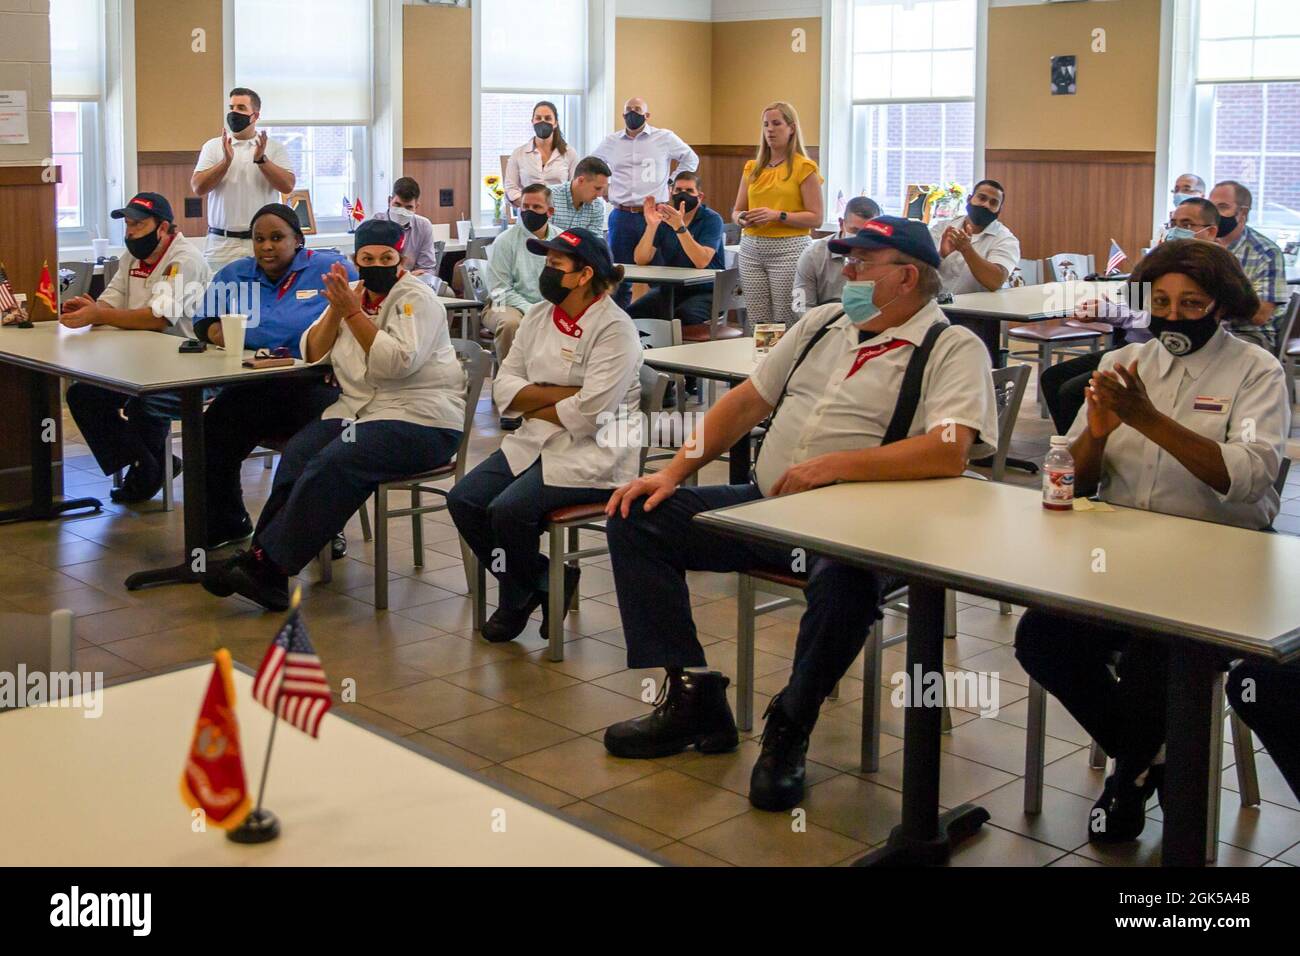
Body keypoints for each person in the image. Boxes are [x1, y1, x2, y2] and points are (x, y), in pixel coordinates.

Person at [600, 217, 998, 812]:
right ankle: (691, 695)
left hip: (863, 528)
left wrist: (836, 465)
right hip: (768, 508)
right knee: (639, 514)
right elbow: (745, 402)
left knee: (845, 581)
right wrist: (673, 471)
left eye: (863, 263)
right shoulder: (823, 324)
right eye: (847, 261)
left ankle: (791, 722)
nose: (848, 273)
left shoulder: (951, 346)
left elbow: (948, 448)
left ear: (908, 276)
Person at [1015, 239, 1289, 844]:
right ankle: (1150, 762)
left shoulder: (1255, 371)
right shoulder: (1126, 362)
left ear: (1221, 305)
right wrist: (1096, 432)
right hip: (1120, 554)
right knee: (1041, 636)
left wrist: (1148, 420)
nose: (1174, 315)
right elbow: (1072, 474)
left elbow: (1247, 479)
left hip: (1218, 562)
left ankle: (1126, 781)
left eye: (1192, 303)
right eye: (1161, 301)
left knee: (1155, 651)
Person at [202, 219, 465, 611]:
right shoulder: (352, 293)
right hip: (360, 411)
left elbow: (396, 364)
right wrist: (337, 311)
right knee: (297, 455)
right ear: (356, 259)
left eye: (385, 257)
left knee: (335, 461)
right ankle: (262, 560)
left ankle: (271, 567)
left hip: (420, 419)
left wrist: (353, 314)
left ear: (401, 260)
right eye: (367, 257)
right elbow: (312, 350)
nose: (376, 264)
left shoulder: (416, 298)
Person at [447, 228, 641, 644]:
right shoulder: (537, 316)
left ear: (584, 275)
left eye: (555, 265)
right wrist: (555, 399)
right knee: (464, 500)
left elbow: (592, 414)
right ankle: (541, 578)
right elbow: (504, 386)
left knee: (507, 511)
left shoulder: (614, 329)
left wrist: (530, 401)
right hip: (534, 438)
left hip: (594, 450)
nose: (545, 271)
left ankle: (517, 594)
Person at [192, 203, 357, 550]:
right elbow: (204, 324)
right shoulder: (233, 275)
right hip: (254, 384)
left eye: (277, 238)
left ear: (297, 239)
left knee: (320, 444)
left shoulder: (330, 269)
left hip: (313, 383)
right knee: (209, 433)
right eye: (259, 239)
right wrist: (219, 333)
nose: (267, 246)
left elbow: (359, 320)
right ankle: (229, 521)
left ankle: (324, 528)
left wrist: (337, 363)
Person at [61, 193, 211, 503]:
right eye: (128, 225)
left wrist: (101, 314)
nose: (130, 232)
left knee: (143, 403)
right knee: (82, 394)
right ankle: (152, 463)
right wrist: (91, 308)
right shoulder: (132, 257)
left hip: (183, 366)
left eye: (138, 225)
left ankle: (147, 469)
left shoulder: (185, 260)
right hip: (136, 361)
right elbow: (112, 298)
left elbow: (159, 318)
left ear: (163, 227)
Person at [1041, 198, 1221, 432]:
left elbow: (1162, 320)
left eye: (1187, 224)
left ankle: (1095, 448)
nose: (1177, 230)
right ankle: (1074, 448)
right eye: (1174, 223)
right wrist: (1103, 311)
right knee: (1052, 378)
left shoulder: (1213, 270)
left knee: (1072, 391)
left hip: (1166, 353)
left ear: (1211, 231)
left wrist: (1108, 312)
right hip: (1130, 347)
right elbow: (1133, 305)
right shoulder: (1158, 262)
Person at [592, 97, 699, 308]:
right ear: (623, 116)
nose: (633, 113)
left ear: (647, 116)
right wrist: (603, 187)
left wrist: (671, 181)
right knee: (619, 277)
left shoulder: (664, 138)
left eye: (638, 110)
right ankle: (618, 324)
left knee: (657, 275)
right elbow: (593, 163)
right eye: (628, 110)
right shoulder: (611, 142)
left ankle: (656, 329)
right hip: (621, 215)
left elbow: (691, 159)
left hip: (654, 216)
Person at [732, 102, 824, 328]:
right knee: (758, 320)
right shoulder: (753, 168)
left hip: (789, 249)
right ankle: (761, 362)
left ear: (791, 128)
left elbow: (816, 218)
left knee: (785, 316)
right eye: (765, 125)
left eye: (776, 124)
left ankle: (786, 361)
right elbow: (735, 211)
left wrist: (777, 215)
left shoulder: (804, 167)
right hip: (751, 248)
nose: (770, 130)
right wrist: (742, 217)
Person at [191, 88, 295, 271]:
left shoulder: (274, 148)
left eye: (241, 107)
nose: (234, 113)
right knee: (220, 297)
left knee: (261, 297)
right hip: (221, 244)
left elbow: (287, 186)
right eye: (231, 107)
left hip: (262, 243)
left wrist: (262, 160)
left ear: (254, 116)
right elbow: (198, 187)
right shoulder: (214, 146)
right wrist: (225, 162)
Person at [628, 171, 725, 327]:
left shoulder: (711, 220)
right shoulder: (664, 219)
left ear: (700, 197)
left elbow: (701, 261)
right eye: (678, 191)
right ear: (671, 193)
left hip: (706, 291)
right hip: (670, 289)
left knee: (680, 317)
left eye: (689, 191)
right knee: (633, 313)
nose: (683, 195)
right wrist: (651, 226)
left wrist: (679, 227)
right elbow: (641, 259)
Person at [483, 182, 559, 361]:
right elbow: (499, 290)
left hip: (547, 304)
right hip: (502, 303)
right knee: (511, 323)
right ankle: (510, 380)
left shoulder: (560, 240)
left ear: (550, 212)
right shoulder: (505, 241)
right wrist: (532, 311)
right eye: (525, 207)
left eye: (536, 207)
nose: (529, 211)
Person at [1211, 180, 1288, 349]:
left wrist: (1216, 300)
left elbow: (1259, 315)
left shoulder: (1266, 252)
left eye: (1223, 207)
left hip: (1248, 335)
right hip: (1207, 329)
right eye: (1211, 207)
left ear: (1242, 212)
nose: (1215, 214)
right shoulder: (1201, 245)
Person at [791, 195, 881, 315]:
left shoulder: (884, 255)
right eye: (855, 231)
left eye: (868, 232)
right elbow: (801, 306)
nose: (861, 238)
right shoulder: (812, 255)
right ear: (841, 224)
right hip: (824, 322)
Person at [928, 179, 1021, 294]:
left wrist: (966, 249)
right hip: (935, 307)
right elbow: (918, 271)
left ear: (999, 210)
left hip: (977, 310)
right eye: (982, 198)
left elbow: (995, 281)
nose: (986, 205)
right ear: (969, 199)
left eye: (993, 203)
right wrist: (941, 255)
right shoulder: (941, 228)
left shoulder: (1006, 239)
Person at [504, 100, 578, 207]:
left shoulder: (569, 153)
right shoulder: (518, 154)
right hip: (527, 214)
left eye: (548, 118)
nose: (542, 122)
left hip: (559, 215)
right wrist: (531, 206)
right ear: (532, 121)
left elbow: (575, 188)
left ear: (555, 123)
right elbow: (511, 188)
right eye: (538, 118)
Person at [373, 177, 440, 275]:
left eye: (408, 207)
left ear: (416, 207)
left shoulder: (424, 226)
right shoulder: (375, 224)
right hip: (383, 280)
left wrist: (410, 280)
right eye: (397, 205)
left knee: (448, 291)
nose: (402, 212)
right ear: (389, 201)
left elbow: (427, 268)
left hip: (413, 282)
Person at [547, 156, 610, 237]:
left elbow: (593, 244)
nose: (600, 194)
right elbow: (544, 239)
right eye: (597, 188)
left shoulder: (597, 206)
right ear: (581, 181)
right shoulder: (549, 196)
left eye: (602, 189)